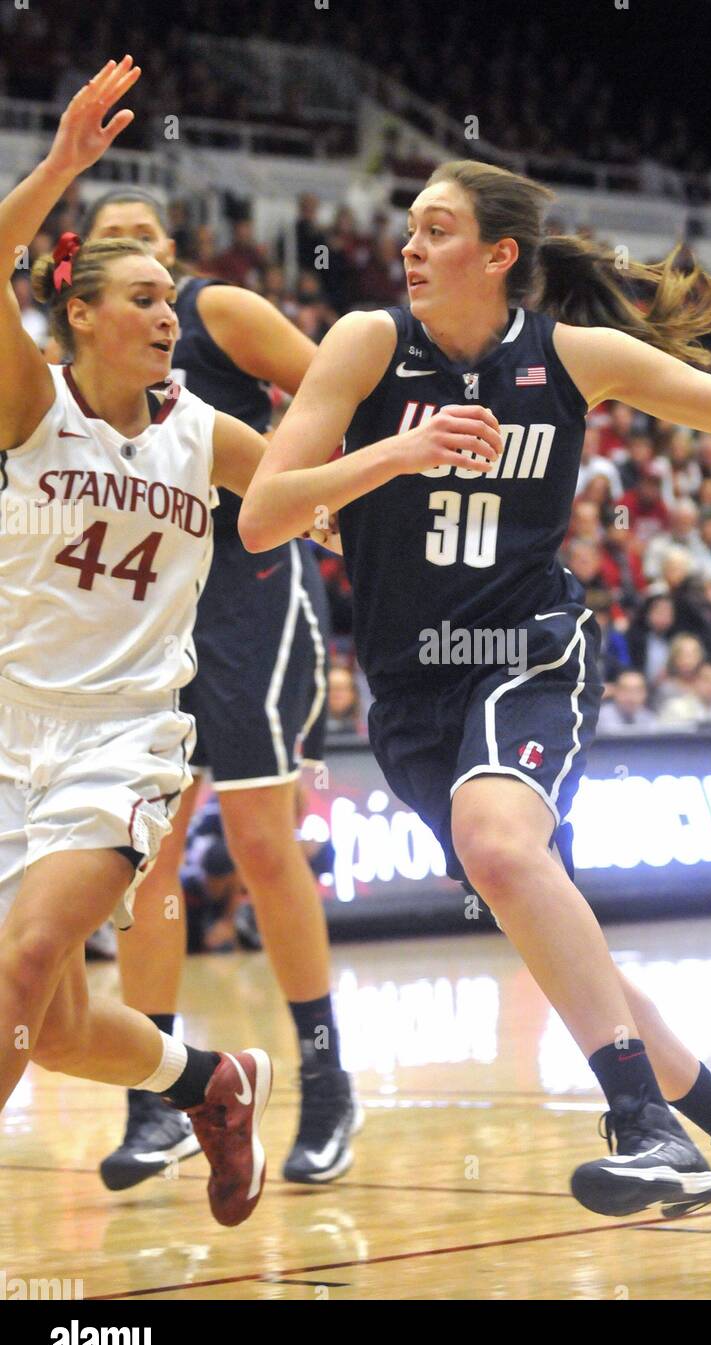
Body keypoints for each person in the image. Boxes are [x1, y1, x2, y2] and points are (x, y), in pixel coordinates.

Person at [239, 158, 711, 1228]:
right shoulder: (366, 345)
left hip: (529, 648)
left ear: (498, 255)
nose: (408, 245)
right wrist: (397, 453)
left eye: (436, 229)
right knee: (572, 949)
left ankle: (642, 1131)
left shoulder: (568, 355)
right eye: (407, 228)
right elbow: (264, 515)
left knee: (498, 848)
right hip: (407, 699)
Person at [0, 57, 271, 1227]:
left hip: (125, 743)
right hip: (11, 726)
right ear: (83, 317)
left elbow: (310, 492)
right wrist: (60, 167)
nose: (174, 315)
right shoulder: (29, 406)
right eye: (148, 299)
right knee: (53, 1027)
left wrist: (406, 459)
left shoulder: (204, 434)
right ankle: (213, 1081)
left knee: (17, 969)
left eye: (175, 299)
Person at [68, 172, 356, 1186]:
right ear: (84, 273)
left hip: (254, 592)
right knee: (142, 861)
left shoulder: (216, 310)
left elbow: (342, 382)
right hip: (152, 618)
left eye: (154, 237)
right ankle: (155, 1097)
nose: (144, 255)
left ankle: (326, 1083)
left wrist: (295, 483)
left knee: (258, 839)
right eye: (119, 241)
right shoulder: (77, 367)